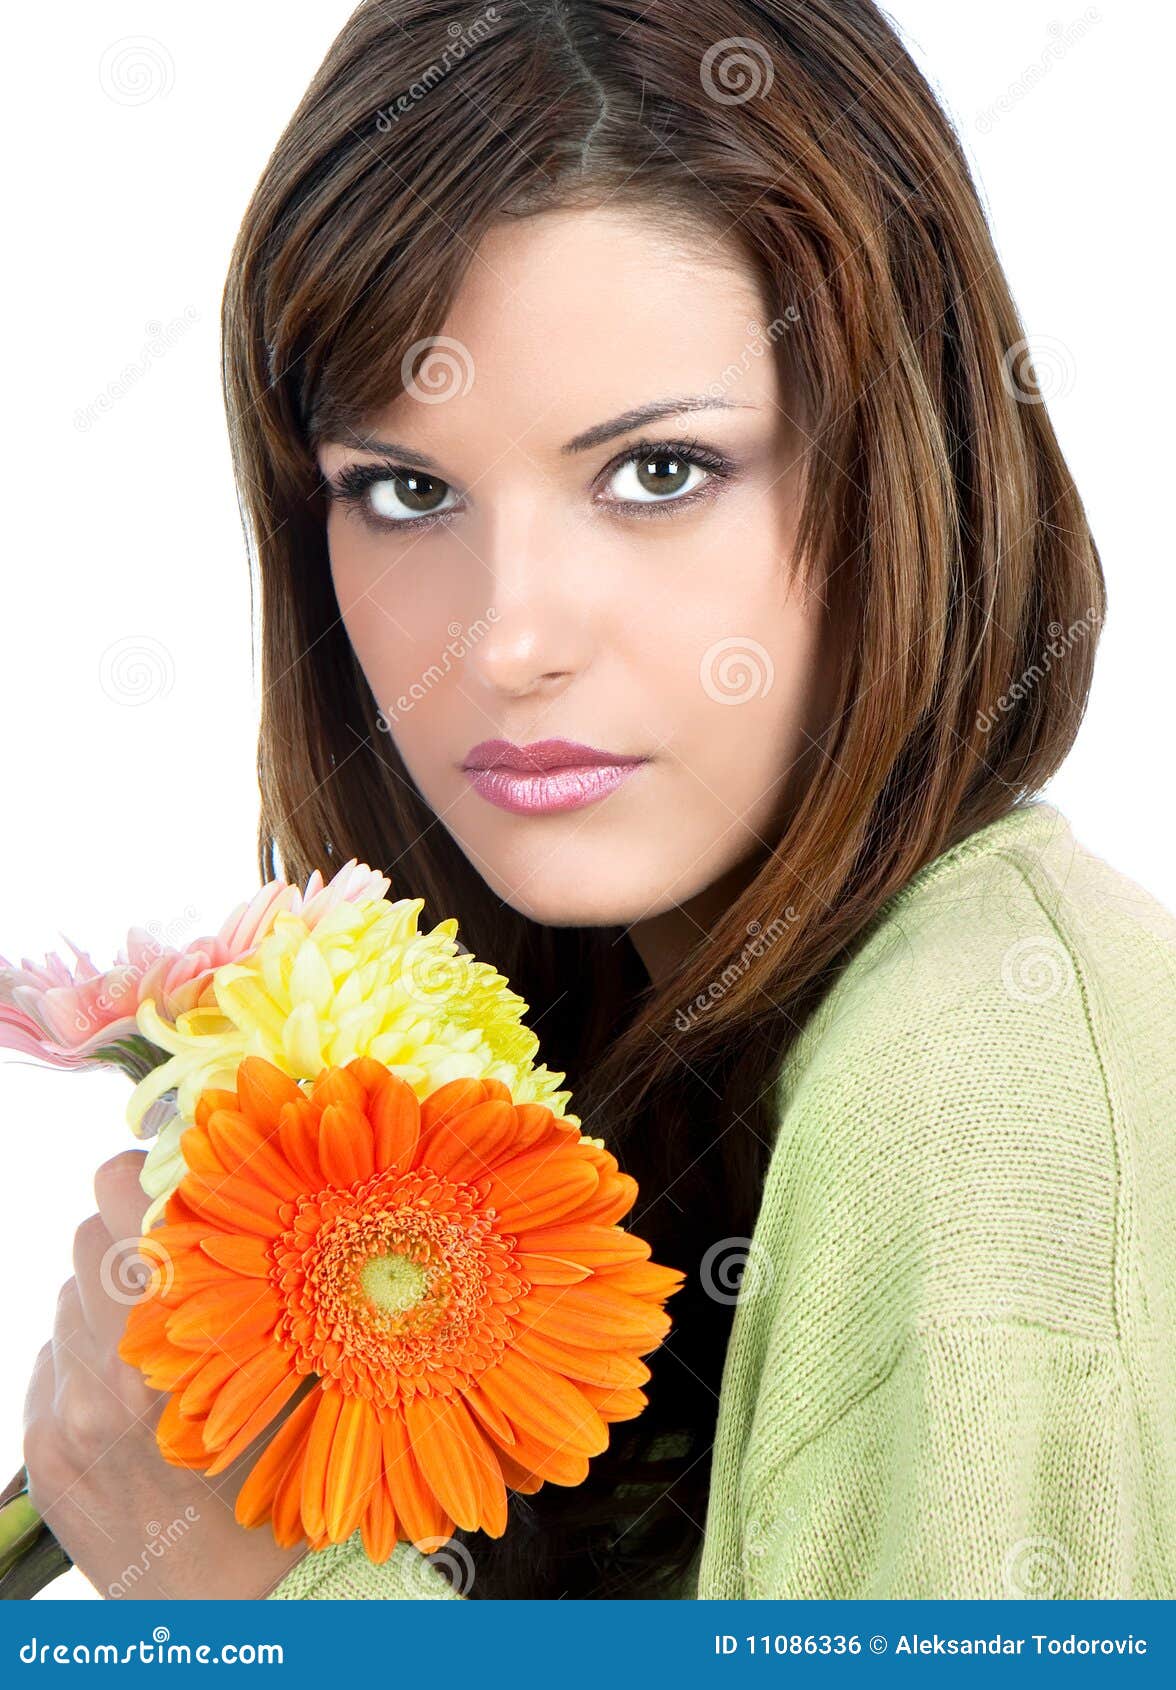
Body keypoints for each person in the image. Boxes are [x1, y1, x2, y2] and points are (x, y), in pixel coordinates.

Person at [23, 0, 1175, 1600]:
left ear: (914, 469)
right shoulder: (623, 1053)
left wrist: (259, 1591)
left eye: (657, 473)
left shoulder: (983, 1069)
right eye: (406, 489)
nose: (508, 641)